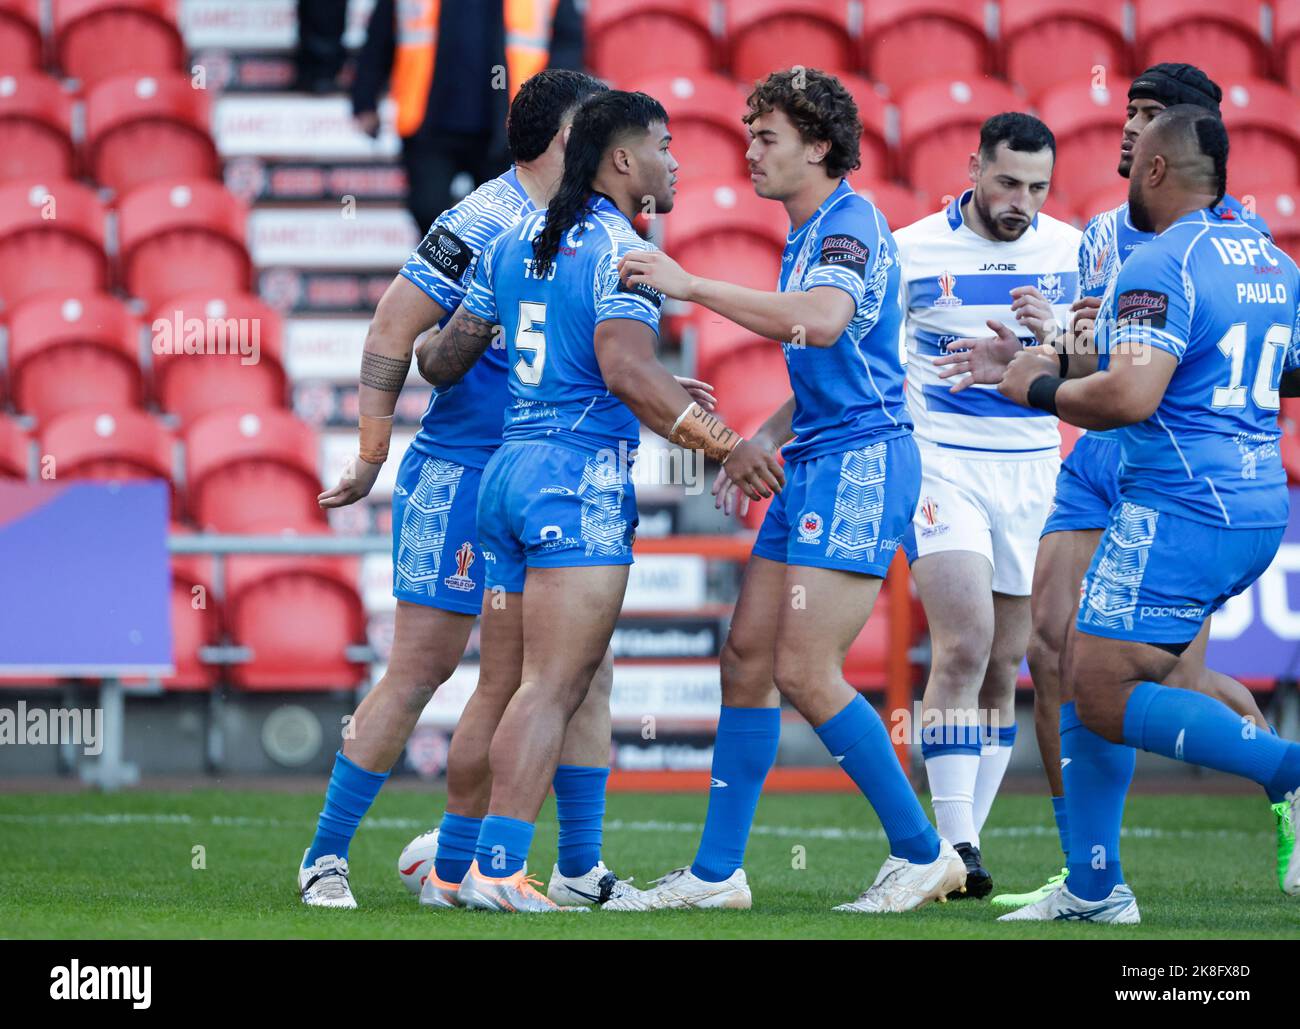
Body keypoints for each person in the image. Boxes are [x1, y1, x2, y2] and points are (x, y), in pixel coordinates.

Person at [601, 68, 965, 914]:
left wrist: (691, 285)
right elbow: (837, 355)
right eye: (749, 134)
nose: (750, 151)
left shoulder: (849, 224)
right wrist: (765, 434)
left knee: (803, 667)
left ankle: (923, 853)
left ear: (820, 147)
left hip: (862, 462)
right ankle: (718, 872)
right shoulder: (808, 233)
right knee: (747, 660)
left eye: (767, 137)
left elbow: (825, 320)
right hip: (817, 457)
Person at [934, 65, 1292, 907]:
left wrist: (1037, 383)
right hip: (1121, 463)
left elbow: (1134, 384)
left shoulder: (1184, 249)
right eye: (1128, 111)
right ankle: (1090, 876)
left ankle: (1282, 773)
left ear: (1174, 149)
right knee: (1060, 653)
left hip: (1171, 476)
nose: (1130, 129)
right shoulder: (1125, 236)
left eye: (1150, 117)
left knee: (1133, 680)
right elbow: (1109, 353)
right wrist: (1043, 351)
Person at [417, 88, 784, 913]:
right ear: (622, 159)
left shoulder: (513, 240)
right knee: (554, 686)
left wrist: (578, 367)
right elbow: (625, 370)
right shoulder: (624, 251)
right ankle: (501, 872)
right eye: (664, 145)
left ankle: (450, 872)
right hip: (573, 481)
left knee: (502, 686)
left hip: (508, 473)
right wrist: (726, 443)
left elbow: (440, 362)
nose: (675, 161)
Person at [298, 69, 643, 911]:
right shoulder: (483, 218)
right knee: (424, 666)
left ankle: (573, 867)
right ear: (567, 137)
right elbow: (394, 325)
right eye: (597, 124)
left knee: (579, 670)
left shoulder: (598, 223)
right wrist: (372, 453)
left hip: (547, 475)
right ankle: (326, 857)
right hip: (463, 471)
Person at [892, 113, 1081, 897]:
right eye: (1007, 182)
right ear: (972, 168)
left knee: (1005, 663)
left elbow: (1108, 366)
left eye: (1038, 188)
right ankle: (956, 845)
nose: (1021, 203)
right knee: (965, 644)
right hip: (942, 465)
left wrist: (1058, 336)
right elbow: (866, 356)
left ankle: (963, 844)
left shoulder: (1072, 251)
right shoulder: (909, 250)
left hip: (1033, 470)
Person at [351, 0, 585, 232]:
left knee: (504, 221)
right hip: (428, 124)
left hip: (509, 128)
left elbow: (567, 42)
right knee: (427, 210)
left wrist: (553, 103)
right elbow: (380, 36)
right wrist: (364, 99)